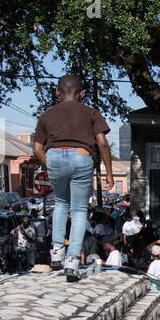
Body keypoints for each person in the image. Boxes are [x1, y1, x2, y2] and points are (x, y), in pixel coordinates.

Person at [32, 74, 113, 282]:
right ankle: (72, 261)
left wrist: (48, 164)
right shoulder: (91, 112)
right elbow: (102, 143)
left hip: (54, 156)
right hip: (82, 156)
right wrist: (109, 172)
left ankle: (57, 251)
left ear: (58, 93)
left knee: (60, 203)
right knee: (79, 210)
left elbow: (37, 148)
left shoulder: (47, 114)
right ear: (82, 94)